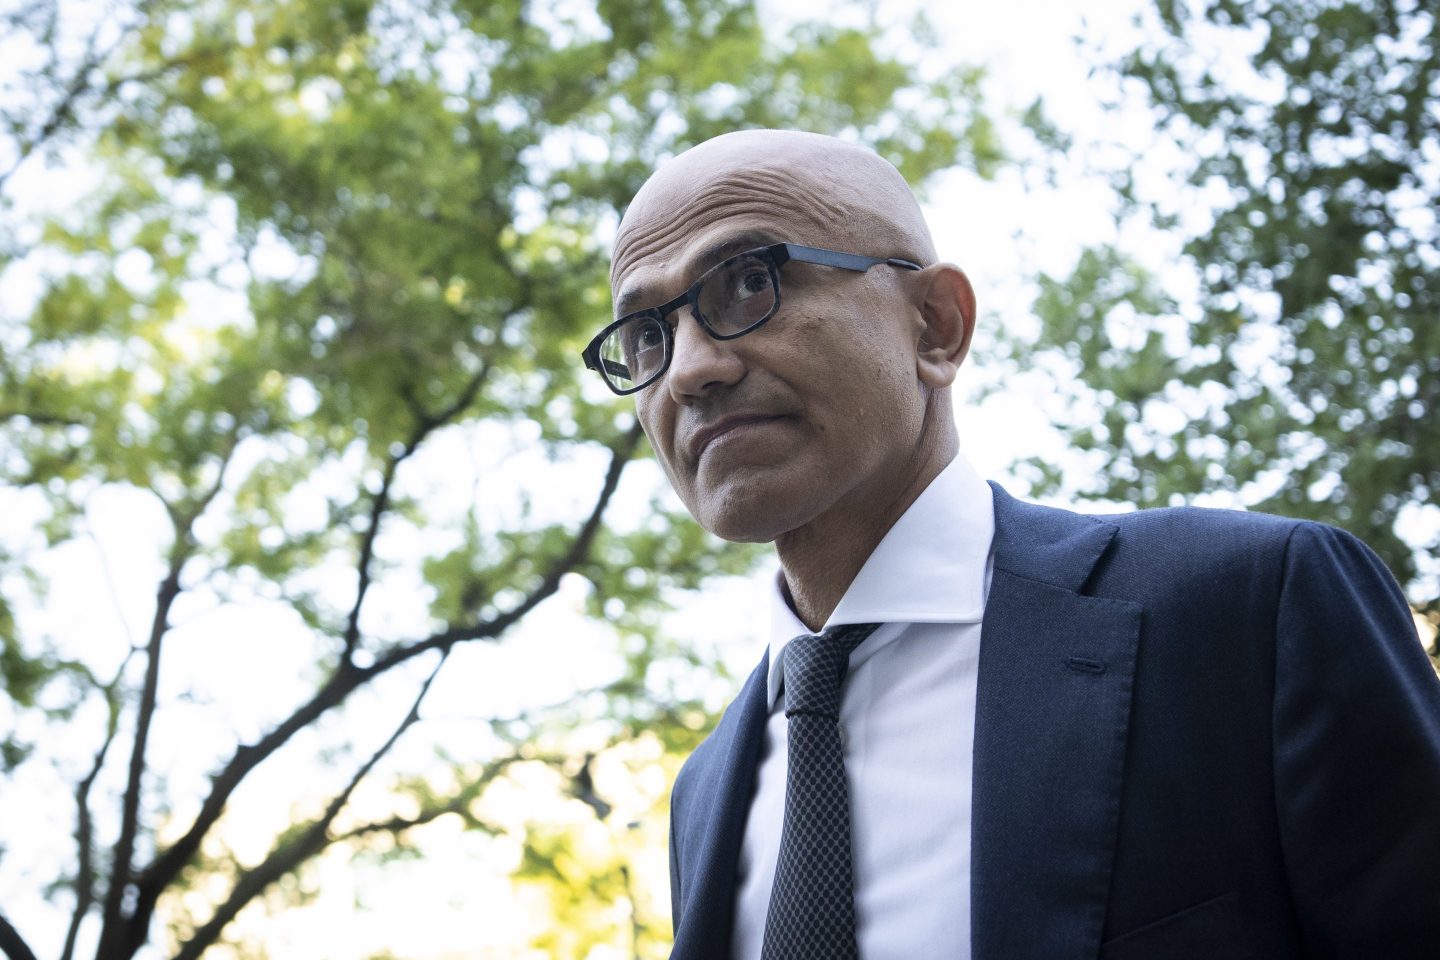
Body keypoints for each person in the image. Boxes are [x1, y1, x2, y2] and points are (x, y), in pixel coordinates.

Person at [583, 129, 1440, 959]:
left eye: (745, 283)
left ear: (936, 327)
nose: (691, 368)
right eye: (648, 335)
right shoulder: (703, 789)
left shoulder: (1249, 611)